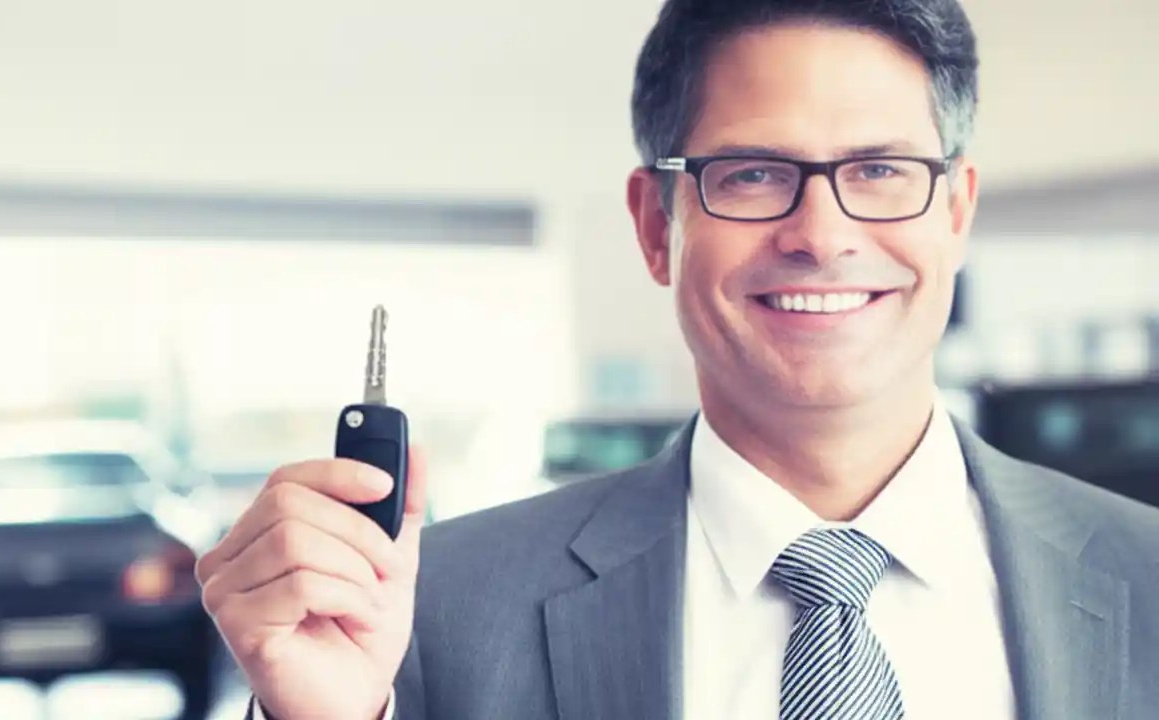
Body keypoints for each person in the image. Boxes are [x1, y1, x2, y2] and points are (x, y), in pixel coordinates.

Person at [196, 0, 1159, 717]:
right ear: (657, 225)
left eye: (878, 171)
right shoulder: (432, 618)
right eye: (751, 174)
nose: (820, 235)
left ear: (955, 212)